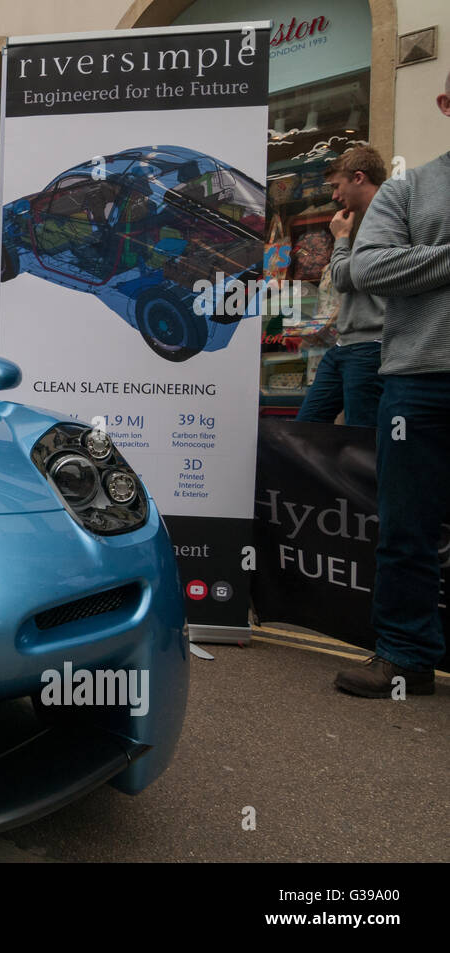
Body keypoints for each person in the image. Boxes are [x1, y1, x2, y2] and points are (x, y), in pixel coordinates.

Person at [334, 71, 450, 698]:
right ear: (445, 104)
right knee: (406, 527)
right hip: (417, 382)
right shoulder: (409, 186)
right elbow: (369, 265)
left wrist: (427, 261)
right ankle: (405, 656)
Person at [295, 146, 386, 427]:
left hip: (370, 345)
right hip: (345, 344)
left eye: (337, 186)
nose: (334, 196)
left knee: (361, 436)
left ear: (359, 178)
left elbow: (344, 279)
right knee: (307, 426)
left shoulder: (386, 219)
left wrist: (342, 238)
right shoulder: (359, 219)